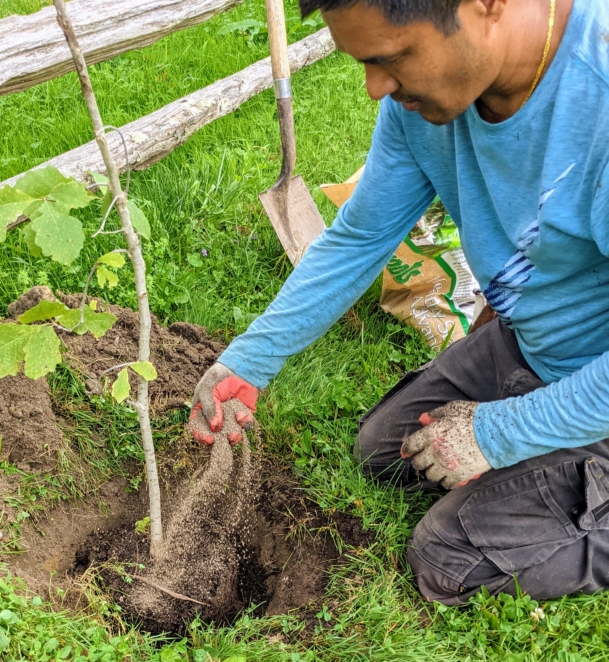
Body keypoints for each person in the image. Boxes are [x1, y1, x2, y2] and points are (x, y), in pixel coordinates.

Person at [190, 0, 609, 606]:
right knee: (384, 454)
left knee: (446, 560)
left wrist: (499, 432)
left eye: (390, 60)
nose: (374, 89)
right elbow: (361, 237)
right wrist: (249, 360)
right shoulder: (422, 111)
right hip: (537, 341)